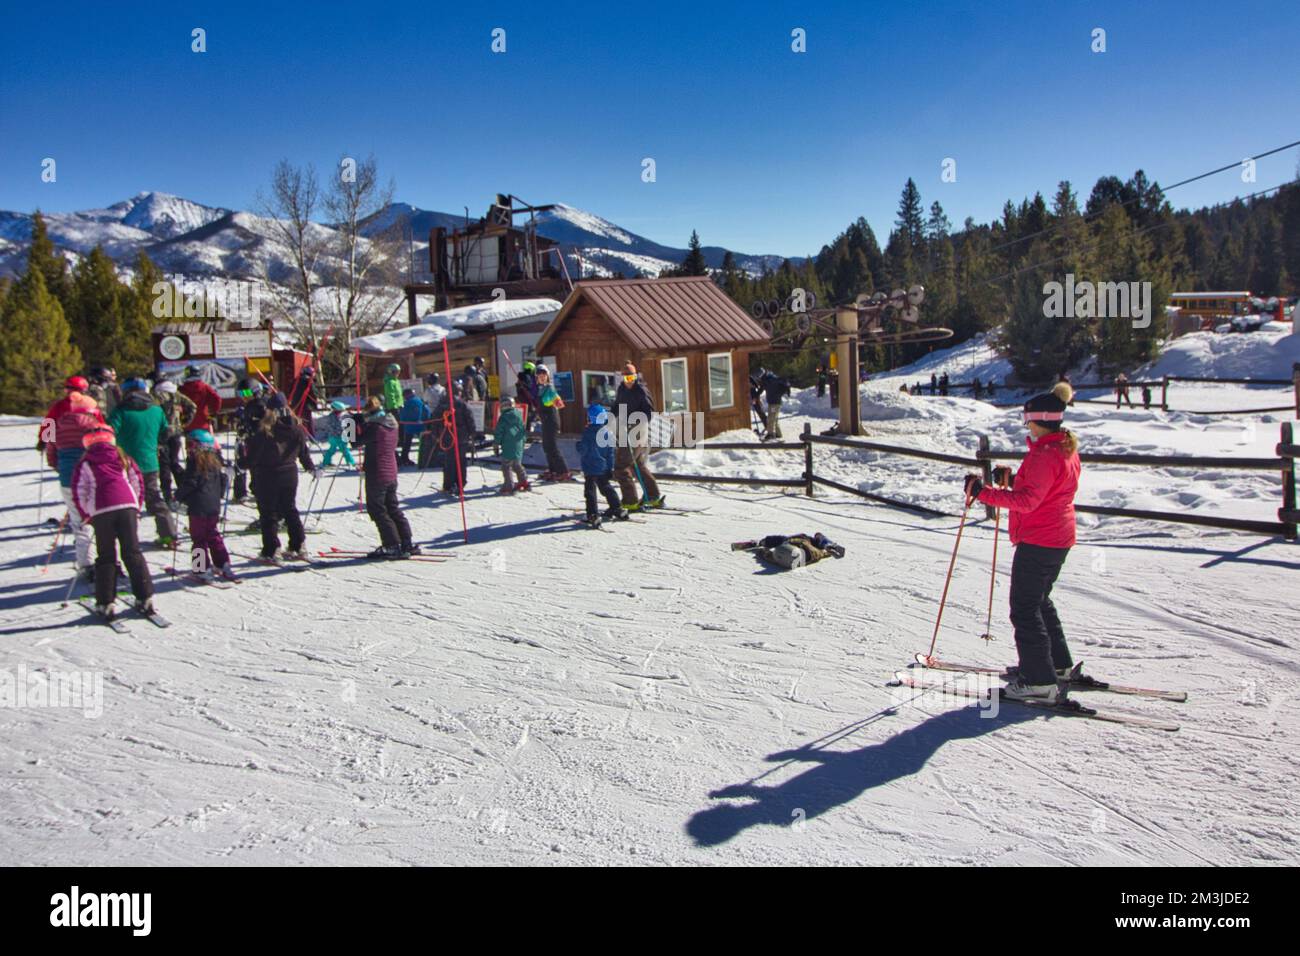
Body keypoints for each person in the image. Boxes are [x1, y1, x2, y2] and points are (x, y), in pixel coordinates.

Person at [962, 381, 1081, 702]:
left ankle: (1039, 681)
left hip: (1040, 539)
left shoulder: (1044, 454)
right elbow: (1046, 489)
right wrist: (1013, 480)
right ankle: (1055, 666)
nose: (1026, 425)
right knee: (1040, 601)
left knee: (1025, 608)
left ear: (1039, 420)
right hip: (1057, 536)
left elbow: (1028, 501)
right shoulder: (1063, 449)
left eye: (1027, 420)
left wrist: (982, 493)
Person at [70, 425, 155, 618]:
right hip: (127, 508)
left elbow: (79, 491)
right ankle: (145, 597)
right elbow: (137, 482)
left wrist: (87, 514)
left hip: (102, 511)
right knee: (132, 552)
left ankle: (106, 602)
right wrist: (136, 506)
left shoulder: (85, 463)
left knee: (106, 556)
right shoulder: (123, 457)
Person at [38, 375, 105, 578]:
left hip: (69, 472)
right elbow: (104, 434)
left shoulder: (59, 408)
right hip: (94, 471)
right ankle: (108, 560)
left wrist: (47, 447)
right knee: (100, 515)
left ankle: (86, 564)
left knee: (79, 519)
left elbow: (48, 427)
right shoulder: (92, 409)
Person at [237, 392, 316, 562]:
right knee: (290, 509)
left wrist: (239, 464)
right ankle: (298, 544)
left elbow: (253, 457)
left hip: (267, 474)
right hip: (289, 472)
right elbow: (303, 452)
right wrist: (310, 468)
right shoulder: (296, 427)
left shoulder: (264, 429)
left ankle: (271, 549)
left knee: (268, 513)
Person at [108, 378, 178, 547]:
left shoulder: (120, 411)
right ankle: (168, 535)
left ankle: (126, 539)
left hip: (125, 463)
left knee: (124, 501)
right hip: (149, 462)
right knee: (154, 497)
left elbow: (109, 433)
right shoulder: (156, 410)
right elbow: (166, 431)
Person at [175, 429, 238, 582]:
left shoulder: (195, 462)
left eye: (190, 444)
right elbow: (222, 480)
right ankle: (223, 563)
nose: (188, 448)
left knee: (198, 539)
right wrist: (219, 495)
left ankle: (201, 569)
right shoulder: (215, 462)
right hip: (213, 507)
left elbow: (190, 483)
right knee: (213, 534)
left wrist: (177, 496)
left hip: (198, 509)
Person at [360, 397, 416, 559]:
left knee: (378, 510)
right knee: (392, 507)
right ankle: (406, 541)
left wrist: (348, 423)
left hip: (377, 472)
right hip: (391, 471)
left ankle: (391, 544)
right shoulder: (391, 422)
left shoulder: (374, 427)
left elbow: (352, 441)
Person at [612, 362, 663, 510]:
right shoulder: (621, 389)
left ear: (636, 376)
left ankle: (630, 501)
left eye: (632, 377)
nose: (629, 381)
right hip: (625, 430)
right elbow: (617, 407)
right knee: (637, 465)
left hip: (637, 430)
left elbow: (648, 412)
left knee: (621, 466)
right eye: (626, 378)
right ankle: (652, 496)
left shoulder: (641, 390)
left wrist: (634, 423)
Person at [577, 404, 625, 528]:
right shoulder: (607, 433)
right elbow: (610, 452)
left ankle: (593, 514)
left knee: (590, 491)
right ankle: (617, 507)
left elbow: (584, 449)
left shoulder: (588, 432)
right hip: (603, 467)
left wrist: (578, 445)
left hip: (590, 467)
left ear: (590, 418)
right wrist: (610, 467)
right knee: (606, 487)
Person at [153, 380, 195, 507]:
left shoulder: (157, 395)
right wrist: (185, 422)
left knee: (164, 464)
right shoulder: (177, 394)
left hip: (162, 433)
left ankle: (167, 494)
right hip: (176, 432)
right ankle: (183, 490)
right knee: (174, 462)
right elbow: (192, 406)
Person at [231, 379, 268, 507]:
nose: (244, 397)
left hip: (258, 444)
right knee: (242, 464)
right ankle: (240, 492)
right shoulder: (248, 406)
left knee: (256, 468)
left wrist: (250, 429)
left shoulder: (261, 405)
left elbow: (262, 425)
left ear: (256, 391)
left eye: (247, 393)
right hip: (247, 441)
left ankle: (257, 490)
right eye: (241, 394)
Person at [433, 383, 475, 497]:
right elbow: (470, 419)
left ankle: (448, 484)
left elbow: (434, 420)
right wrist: (472, 433)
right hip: (460, 436)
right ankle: (460, 484)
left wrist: (436, 435)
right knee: (460, 460)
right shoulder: (462, 404)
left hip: (447, 435)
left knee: (449, 460)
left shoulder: (441, 404)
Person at [534, 365, 571, 480]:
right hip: (545, 420)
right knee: (546, 446)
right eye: (539, 376)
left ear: (547, 376)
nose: (542, 377)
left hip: (551, 420)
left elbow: (558, 403)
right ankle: (553, 469)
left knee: (552, 446)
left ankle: (563, 471)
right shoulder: (541, 388)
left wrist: (550, 401)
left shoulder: (549, 388)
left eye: (544, 375)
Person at [492, 396, 529, 493]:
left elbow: (499, 432)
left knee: (506, 465)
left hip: (508, 444)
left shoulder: (503, 418)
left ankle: (508, 485)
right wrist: (523, 441)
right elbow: (522, 429)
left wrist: (496, 444)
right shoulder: (518, 415)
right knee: (517, 464)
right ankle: (523, 481)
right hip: (518, 443)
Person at [179, 365, 222, 437]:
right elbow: (217, 399)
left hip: (186, 424)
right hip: (203, 423)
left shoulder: (181, 389)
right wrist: (212, 415)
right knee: (208, 446)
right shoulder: (205, 387)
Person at [319, 400, 356, 467]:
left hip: (337, 437)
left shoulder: (341, 416)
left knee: (332, 450)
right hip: (335, 437)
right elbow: (332, 427)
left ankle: (326, 462)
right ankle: (351, 462)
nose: (341, 412)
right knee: (344, 450)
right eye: (340, 411)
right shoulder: (332, 417)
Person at [398, 388, 429, 467]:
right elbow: (426, 411)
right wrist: (426, 420)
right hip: (420, 424)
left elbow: (403, 415)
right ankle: (426, 457)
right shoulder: (419, 401)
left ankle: (404, 458)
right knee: (424, 442)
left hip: (409, 426)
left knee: (407, 443)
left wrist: (402, 420)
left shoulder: (407, 403)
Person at [287, 365, 319, 437]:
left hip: (296, 403)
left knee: (299, 420)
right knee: (308, 420)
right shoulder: (309, 381)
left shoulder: (296, 380)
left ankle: (299, 435)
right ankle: (311, 436)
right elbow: (313, 393)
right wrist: (315, 402)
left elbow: (291, 391)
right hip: (306, 404)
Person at [760, 369, 791, 440]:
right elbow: (761, 388)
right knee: (774, 418)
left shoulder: (773, 379)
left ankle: (770, 434)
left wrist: (780, 393)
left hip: (775, 402)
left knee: (771, 418)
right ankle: (778, 434)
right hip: (772, 402)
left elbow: (785, 384)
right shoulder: (766, 381)